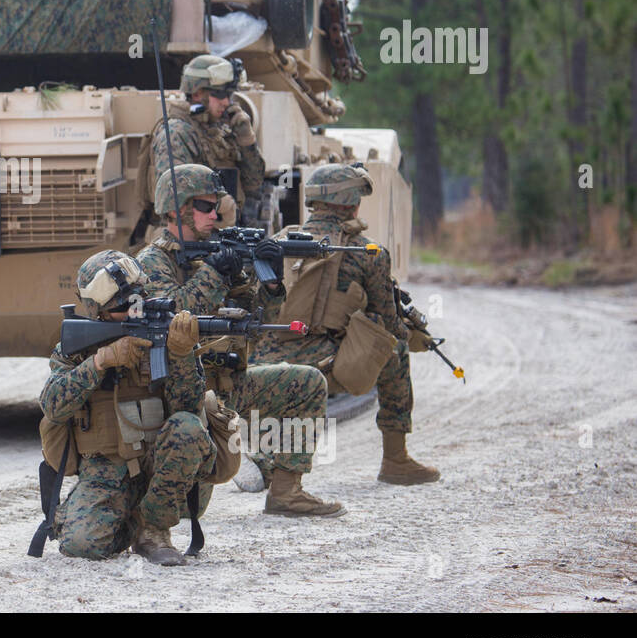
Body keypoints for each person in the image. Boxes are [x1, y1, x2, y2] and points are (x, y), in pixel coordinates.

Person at [138, 164, 345, 517]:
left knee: (308, 383)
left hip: (228, 382)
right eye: (205, 206)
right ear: (176, 209)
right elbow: (178, 316)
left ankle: (286, 491)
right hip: (184, 393)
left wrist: (270, 283)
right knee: (191, 511)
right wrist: (215, 272)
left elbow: (256, 320)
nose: (215, 214)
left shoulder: (214, 252)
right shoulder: (152, 262)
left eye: (215, 206)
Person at [250, 163, 440, 485]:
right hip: (320, 365)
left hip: (260, 363)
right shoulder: (369, 252)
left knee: (296, 379)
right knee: (395, 354)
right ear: (352, 204)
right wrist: (411, 336)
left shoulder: (275, 242)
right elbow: (388, 326)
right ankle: (396, 460)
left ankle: (266, 461)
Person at [40, 250, 231, 565]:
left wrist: (182, 355)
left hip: (163, 465)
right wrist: (100, 362)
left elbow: (190, 408)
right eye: (122, 308)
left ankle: (153, 531)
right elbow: (52, 405)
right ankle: (128, 521)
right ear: (97, 312)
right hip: (107, 468)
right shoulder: (76, 348)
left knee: (186, 428)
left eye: (138, 301)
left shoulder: (168, 335)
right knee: (81, 545)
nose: (134, 312)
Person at [147, 55, 265, 227]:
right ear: (197, 94)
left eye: (229, 95)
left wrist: (246, 139)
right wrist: (222, 203)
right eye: (219, 94)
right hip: (187, 237)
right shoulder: (176, 133)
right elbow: (174, 194)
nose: (226, 102)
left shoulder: (222, 131)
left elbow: (254, 185)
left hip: (221, 232)